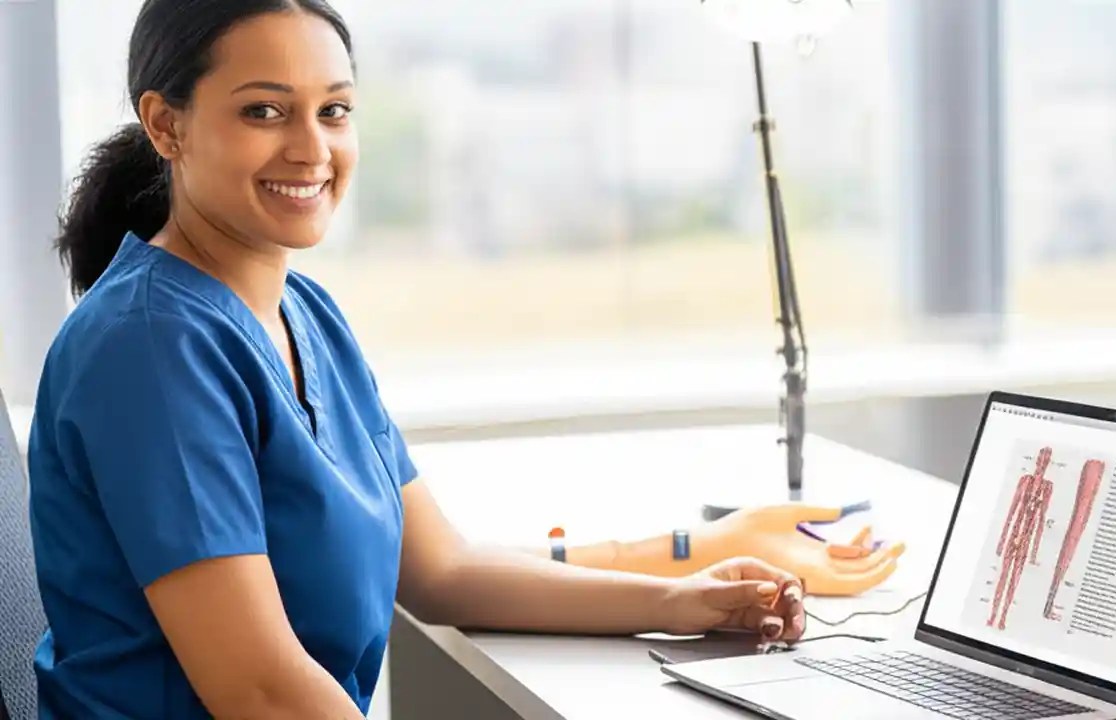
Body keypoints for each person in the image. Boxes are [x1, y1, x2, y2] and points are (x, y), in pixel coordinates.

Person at [24, 1, 903, 717]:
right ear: (166, 125)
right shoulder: (151, 348)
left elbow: (442, 570)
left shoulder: (302, 313)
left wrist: (682, 597)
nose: (311, 148)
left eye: (333, 110)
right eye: (264, 110)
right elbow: (260, 695)